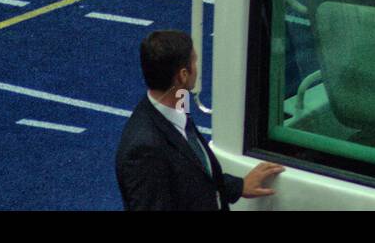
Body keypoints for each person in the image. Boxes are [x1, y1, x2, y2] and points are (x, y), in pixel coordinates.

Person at [117, 30, 285, 210]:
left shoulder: (178, 102)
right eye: (194, 61)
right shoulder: (143, 150)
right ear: (183, 75)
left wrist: (238, 186)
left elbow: (193, 173)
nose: (197, 67)